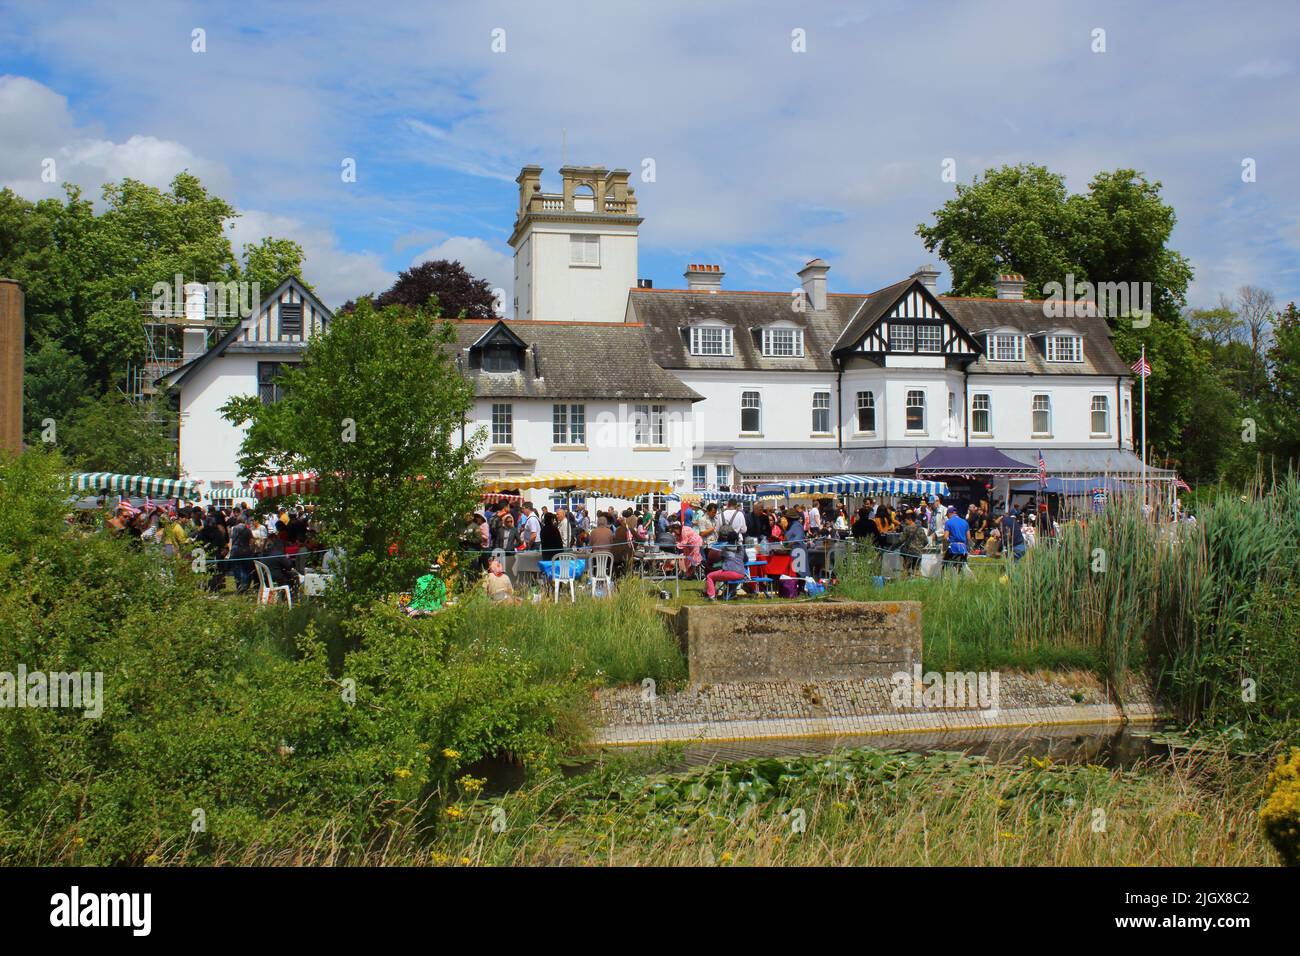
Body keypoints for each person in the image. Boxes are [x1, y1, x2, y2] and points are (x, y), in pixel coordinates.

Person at [705, 529, 747, 599]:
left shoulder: (725, 547)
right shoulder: (742, 548)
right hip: (741, 573)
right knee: (720, 575)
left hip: (729, 572)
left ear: (728, 539)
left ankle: (711, 596)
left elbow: (719, 558)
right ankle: (729, 594)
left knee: (710, 576)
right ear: (737, 539)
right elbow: (746, 559)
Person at [941, 505, 971, 576]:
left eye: (947, 515)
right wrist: (968, 548)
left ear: (949, 513)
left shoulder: (948, 522)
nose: (947, 517)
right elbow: (969, 538)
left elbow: (945, 537)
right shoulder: (965, 522)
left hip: (953, 548)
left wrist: (944, 549)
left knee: (945, 566)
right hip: (963, 549)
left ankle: (946, 581)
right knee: (961, 568)